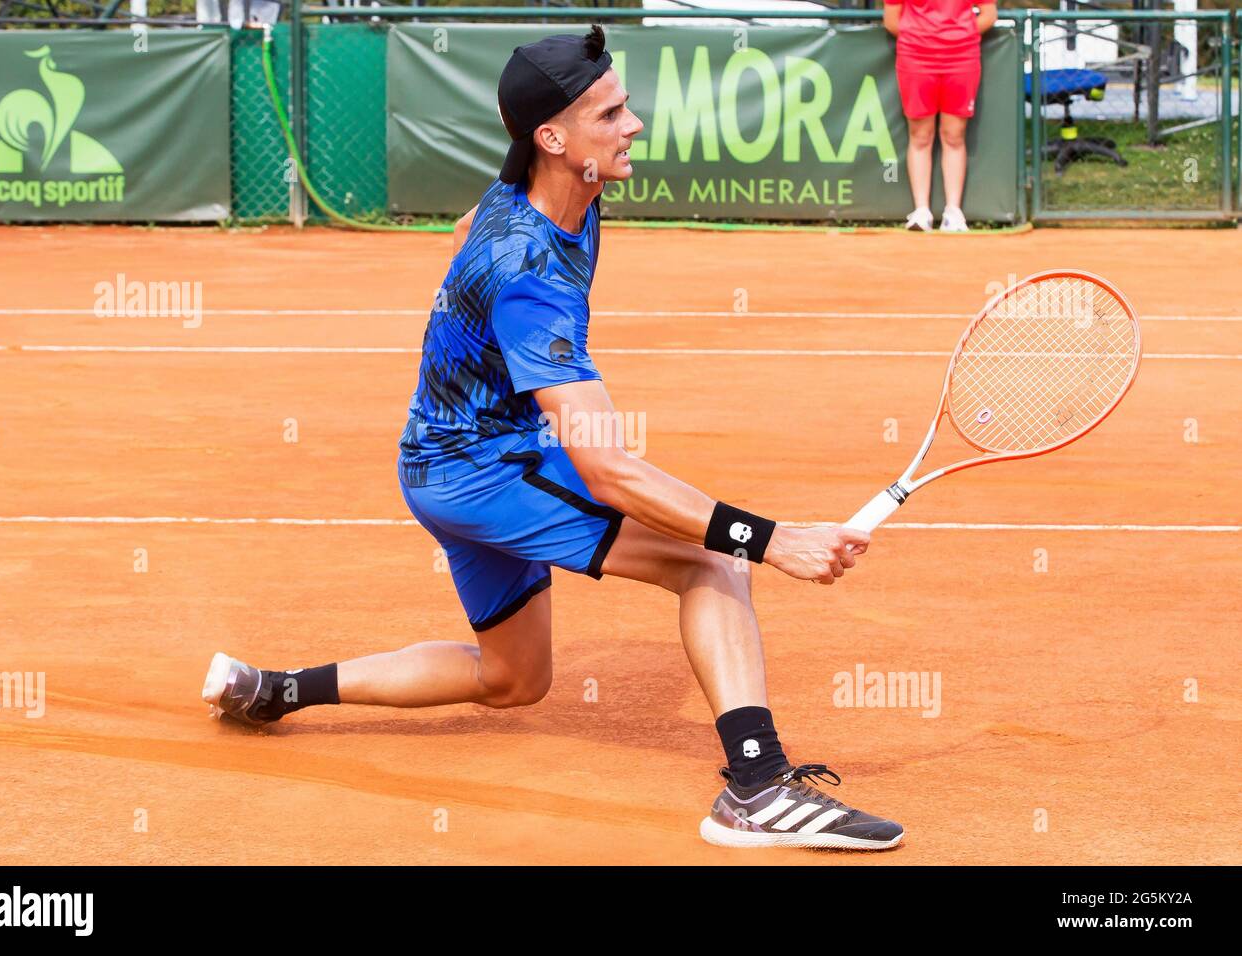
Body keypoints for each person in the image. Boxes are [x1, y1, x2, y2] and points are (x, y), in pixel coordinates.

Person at [202, 27, 903, 851]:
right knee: (713, 561)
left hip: (438, 458)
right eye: (609, 114)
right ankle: (758, 787)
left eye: (625, 105)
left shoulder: (543, 192)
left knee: (513, 678)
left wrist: (472, 350)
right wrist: (774, 539)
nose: (632, 124)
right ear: (553, 138)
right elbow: (609, 471)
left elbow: (466, 231)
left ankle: (275, 690)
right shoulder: (530, 274)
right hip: (485, 471)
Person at [884, 0, 998, 232]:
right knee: (920, 135)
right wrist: (921, 39)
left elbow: (989, 14)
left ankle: (953, 213)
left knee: (954, 135)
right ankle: (921, 212)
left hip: (962, 60)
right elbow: (891, 20)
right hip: (914, 58)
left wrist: (959, 37)